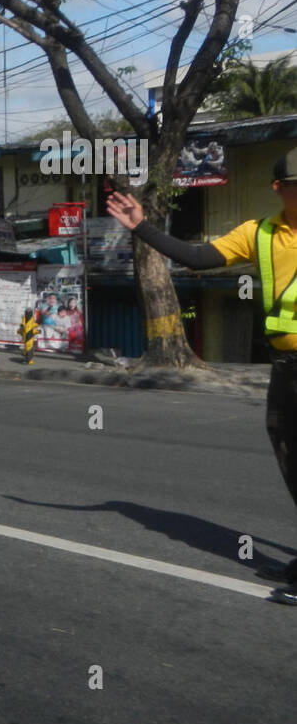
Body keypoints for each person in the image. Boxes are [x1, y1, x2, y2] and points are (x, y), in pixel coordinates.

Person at [107, 149, 297, 602]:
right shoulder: (259, 233)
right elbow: (197, 257)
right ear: (279, 189)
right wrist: (141, 227)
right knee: (289, 455)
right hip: (287, 369)